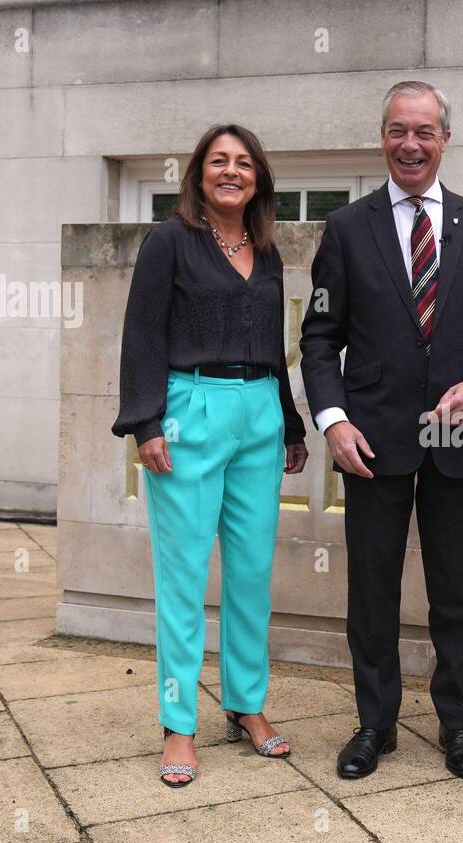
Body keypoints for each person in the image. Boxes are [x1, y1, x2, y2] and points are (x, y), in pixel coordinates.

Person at [300, 81, 463, 779]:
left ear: (445, 140)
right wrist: (333, 421)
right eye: (399, 130)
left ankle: (458, 726)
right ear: (383, 138)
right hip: (370, 440)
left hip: (461, 439)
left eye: (424, 131)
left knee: (456, 593)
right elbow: (319, 337)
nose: (411, 143)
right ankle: (375, 725)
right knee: (371, 591)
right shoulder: (346, 229)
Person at [112, 123, 309, 787]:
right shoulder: (169, 242)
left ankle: (246, 705)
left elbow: (275, 343)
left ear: (259, 179)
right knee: (184, 577)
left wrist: (288, 424)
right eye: (219, 161)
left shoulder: (267, 250)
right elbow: (141, 334)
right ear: (199, 174)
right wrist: (145, 425)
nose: (232, 172)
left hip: (257, 413)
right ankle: (178, 725)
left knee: (251, 572)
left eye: (244, 163)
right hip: (188, 410)